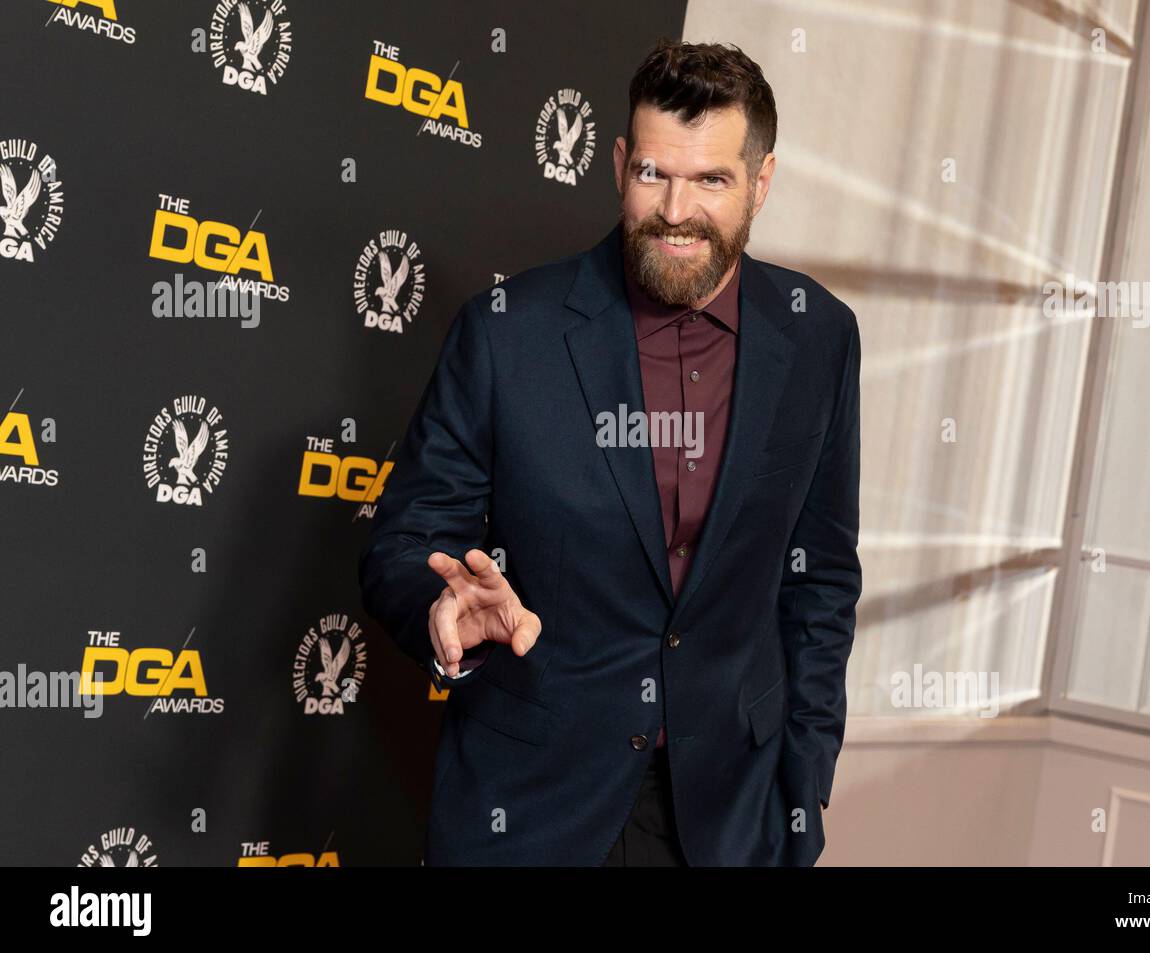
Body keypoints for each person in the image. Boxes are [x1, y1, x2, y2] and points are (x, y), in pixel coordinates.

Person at [360, 38, 861, 866]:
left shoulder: (819, 337)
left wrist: (803, 786)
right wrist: (442, 614)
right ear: (620, 163)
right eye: (653, 174)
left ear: (761, 183)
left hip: (732, 819)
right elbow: (407, 540)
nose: (674, 211)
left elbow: (823, 579)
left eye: (711, 180)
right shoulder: (507, 331)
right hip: (532, 809)